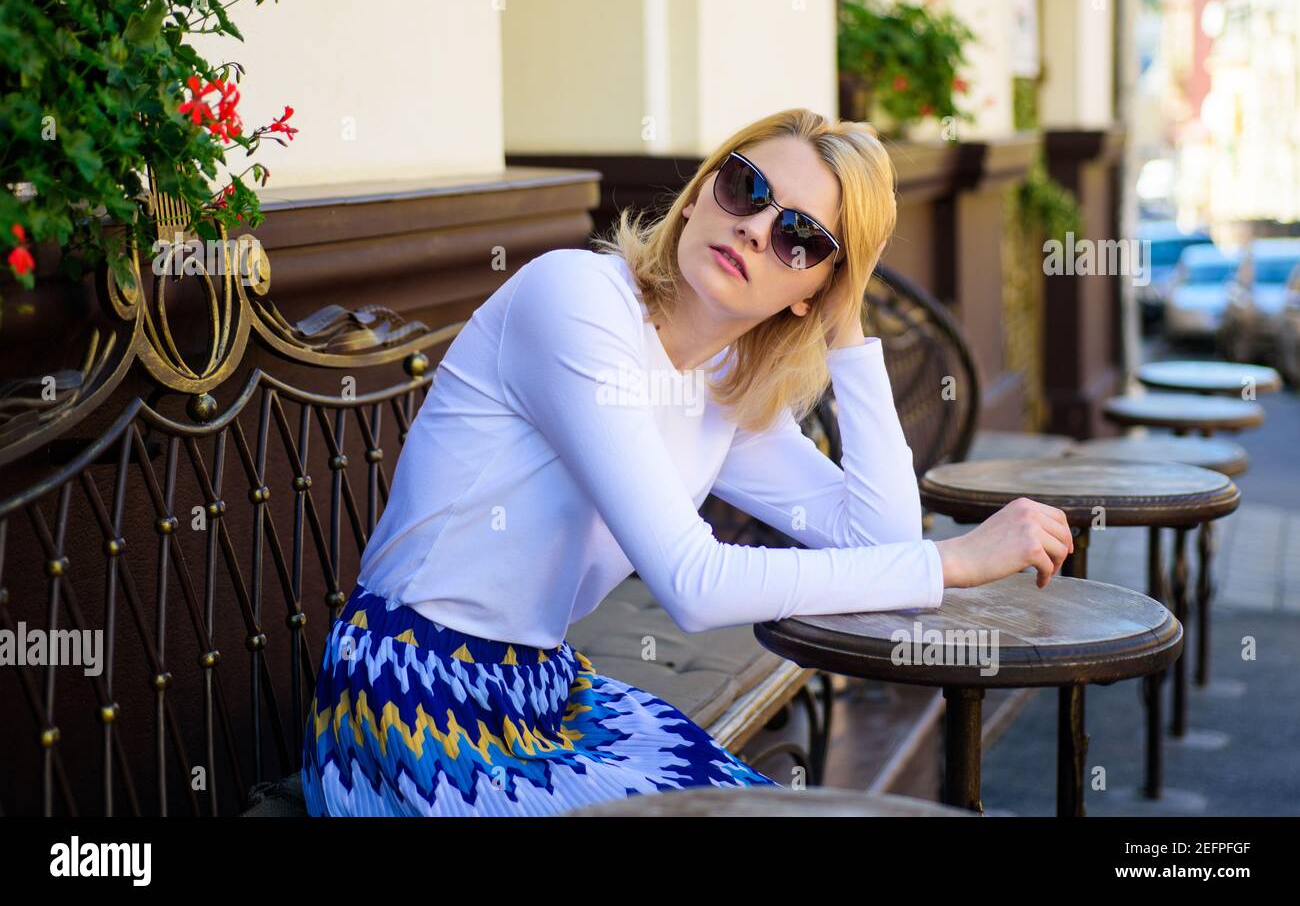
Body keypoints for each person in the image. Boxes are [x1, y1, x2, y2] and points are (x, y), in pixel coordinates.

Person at [300, 108, 1074, 816]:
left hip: (539, 695)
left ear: (813, 289)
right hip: (409, 704)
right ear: (704, 191)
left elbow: (879, 537)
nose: (755, 230)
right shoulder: (577, 299)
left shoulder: (722, 387)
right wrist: (954, 561)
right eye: (747, 188)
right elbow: (693, 584)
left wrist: (848, 325)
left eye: (799, 238)